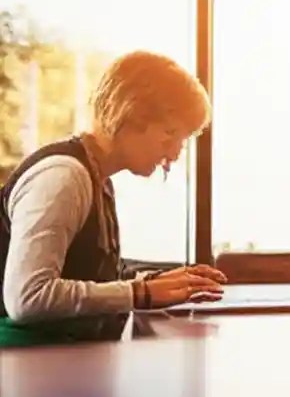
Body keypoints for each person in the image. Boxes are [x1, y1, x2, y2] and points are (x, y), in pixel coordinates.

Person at [0, 51, 226, 347]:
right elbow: (28, 298)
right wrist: (140, 293)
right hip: (23, 372)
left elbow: (87, 274)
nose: (173, 154)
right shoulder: (64, 176)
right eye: (169, 134)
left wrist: (159, 280)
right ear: (130, 114)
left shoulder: (97, 177)